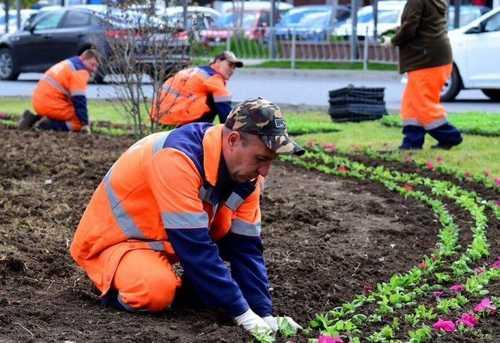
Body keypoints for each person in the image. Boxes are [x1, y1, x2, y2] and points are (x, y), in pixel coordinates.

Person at [70, 98, 304, 335]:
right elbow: (195, 246)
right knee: (155, 291)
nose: (265, 171)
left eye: (271, 161)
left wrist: (264, 313)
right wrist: (242, 313)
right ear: (233, 140)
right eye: (261, 159)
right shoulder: (177, 158)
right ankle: (114, 283)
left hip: (165, 243)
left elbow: (246, 249)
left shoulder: (247, 178)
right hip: (114, 243)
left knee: (215, 283)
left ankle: (177, 285)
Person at [383, 0, 463, 150]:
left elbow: (410, 28)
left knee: (422, 103)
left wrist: (392, 41)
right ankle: (412, 142)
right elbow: (425, 23)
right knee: (412, 102)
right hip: (434, 57)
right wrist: (400, 28)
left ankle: (450, 136)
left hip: (426, 60)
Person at [150, 51, 243, 126]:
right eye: (230, 65)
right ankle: (201, 130)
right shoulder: (214, 79)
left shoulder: (196, 71)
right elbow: (226, 113)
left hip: (160, 117)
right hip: (178, 120)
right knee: (215, 100)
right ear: (218, 62)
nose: (232, 70)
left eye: (234, 67)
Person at [18, 49, 100, 133]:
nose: (94, 69)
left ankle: (32, 119)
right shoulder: (80, 72)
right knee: (78, 122)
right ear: (83, 59)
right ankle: (48, 126)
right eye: (92, 65)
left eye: (96, 66)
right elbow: (79, 100)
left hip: (39, 101)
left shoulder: (70, 63)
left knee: (78, 114)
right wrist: (85, 123)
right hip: (50, 104)